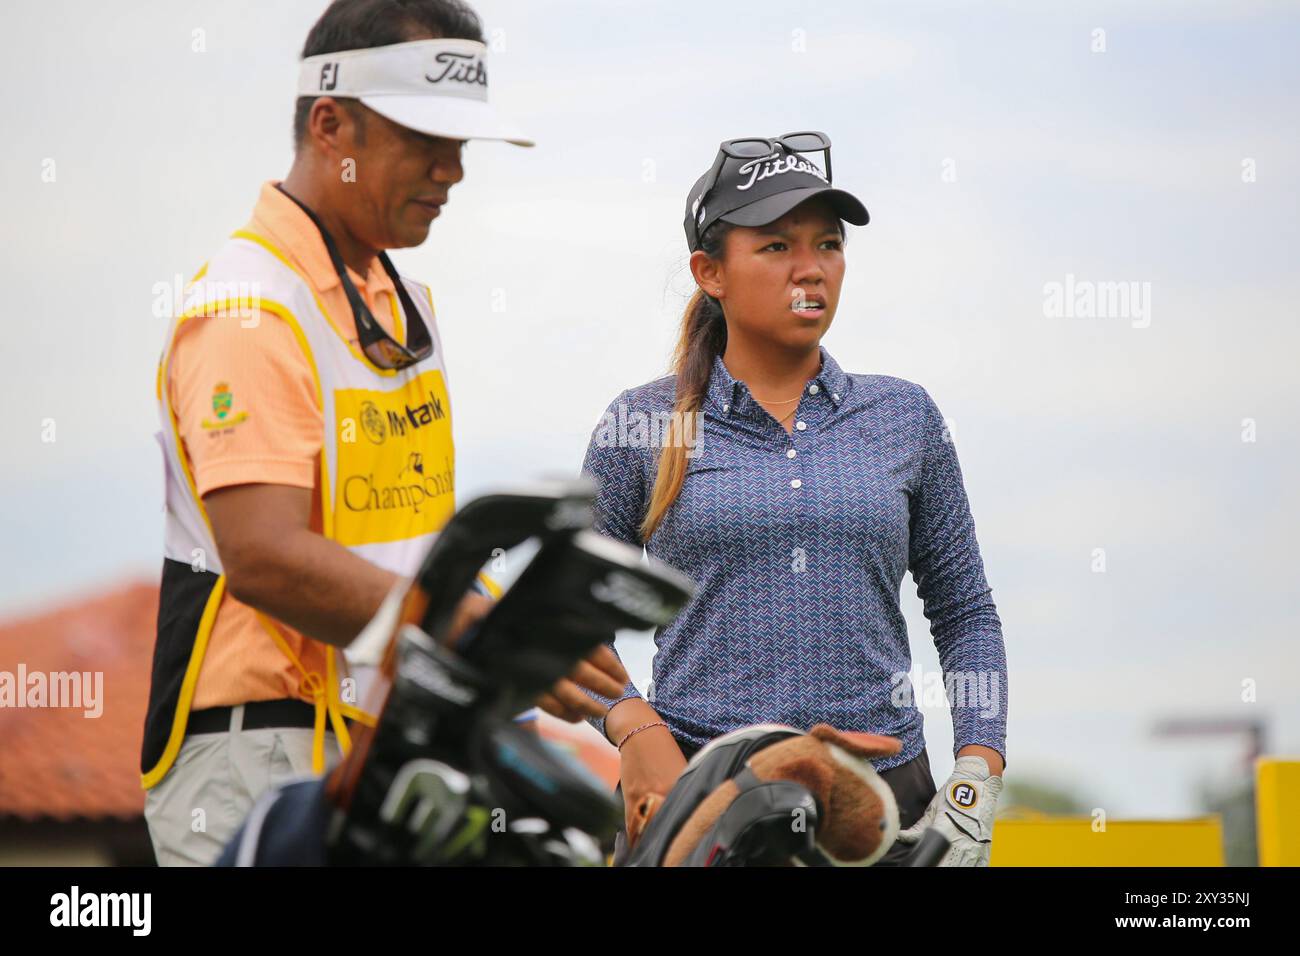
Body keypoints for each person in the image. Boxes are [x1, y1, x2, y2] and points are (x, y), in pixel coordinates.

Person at [142, 0, 627, 867]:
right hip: (260, 750)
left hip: (378, 744)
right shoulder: (248, 309)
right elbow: (266, 557)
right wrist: (479, 631)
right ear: (331, 125)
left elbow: (409, 544)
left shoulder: (398, 308)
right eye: (426, 139)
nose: (453, 171)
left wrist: (514, 642)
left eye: (462, 145)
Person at [581, 132, 1008, 866]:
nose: (811, 269)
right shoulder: (640, 422)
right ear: (709, 271)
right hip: (703, 797)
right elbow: (565, 614)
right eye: (776, 246)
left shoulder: (904, 415)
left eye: (828, 244)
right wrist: (635, 728)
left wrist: (978, 772)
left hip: (880, 803)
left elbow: (965, 609)